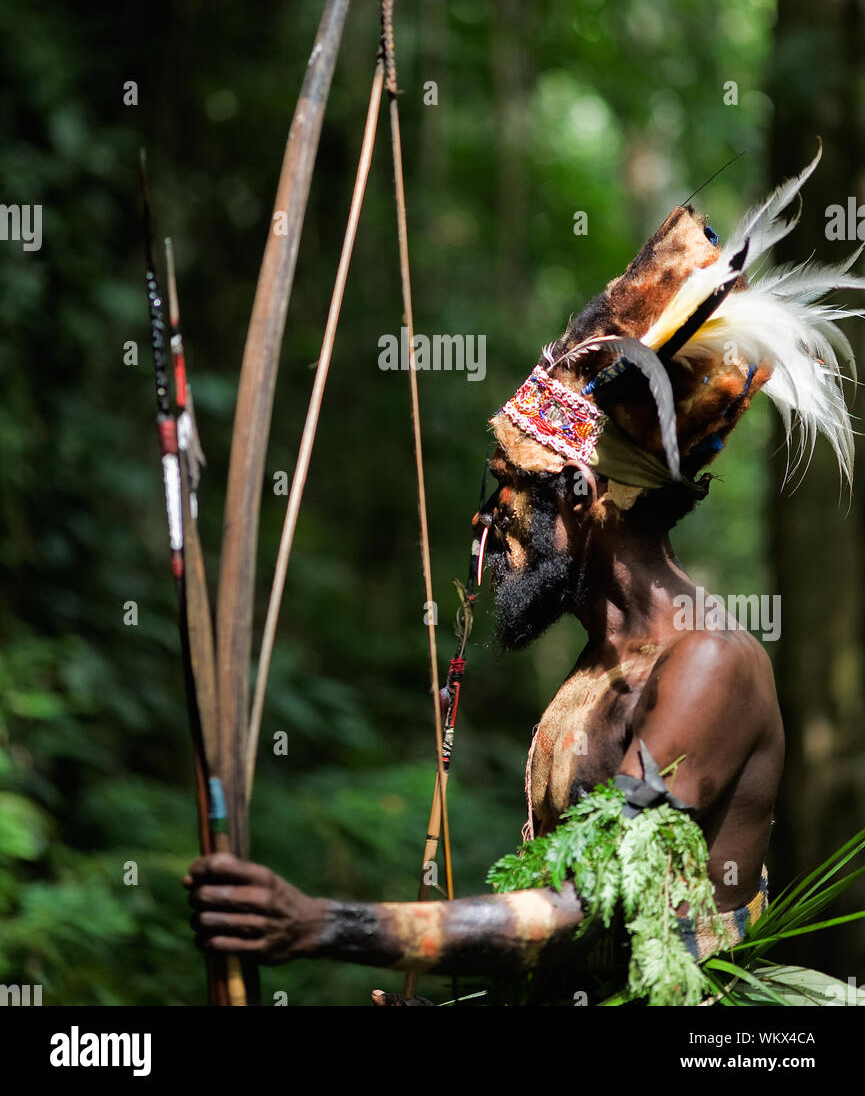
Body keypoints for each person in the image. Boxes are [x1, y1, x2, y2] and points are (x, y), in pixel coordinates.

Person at [185, 153, 860, 999]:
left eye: (508, 487)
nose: (486, 520)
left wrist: (330, 925)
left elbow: (594, 908)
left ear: (579, 493)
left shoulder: (708, 666)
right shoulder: (597, 668)